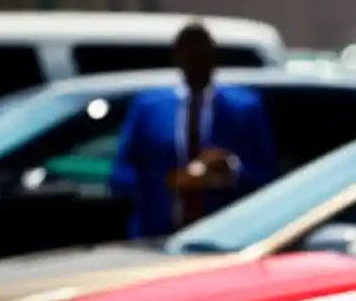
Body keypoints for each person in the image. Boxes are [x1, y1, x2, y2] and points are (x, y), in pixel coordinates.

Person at [111, 20, 278, 238]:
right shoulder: (149, 108)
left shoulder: (243, 107)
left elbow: (268, 174)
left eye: (202, 56)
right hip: (159, 233)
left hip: (223, 233)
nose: (196, 63)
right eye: (189, 56)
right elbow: (123, 173)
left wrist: (231, 170)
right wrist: (168, 181)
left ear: (214, 59)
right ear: (177, 58)